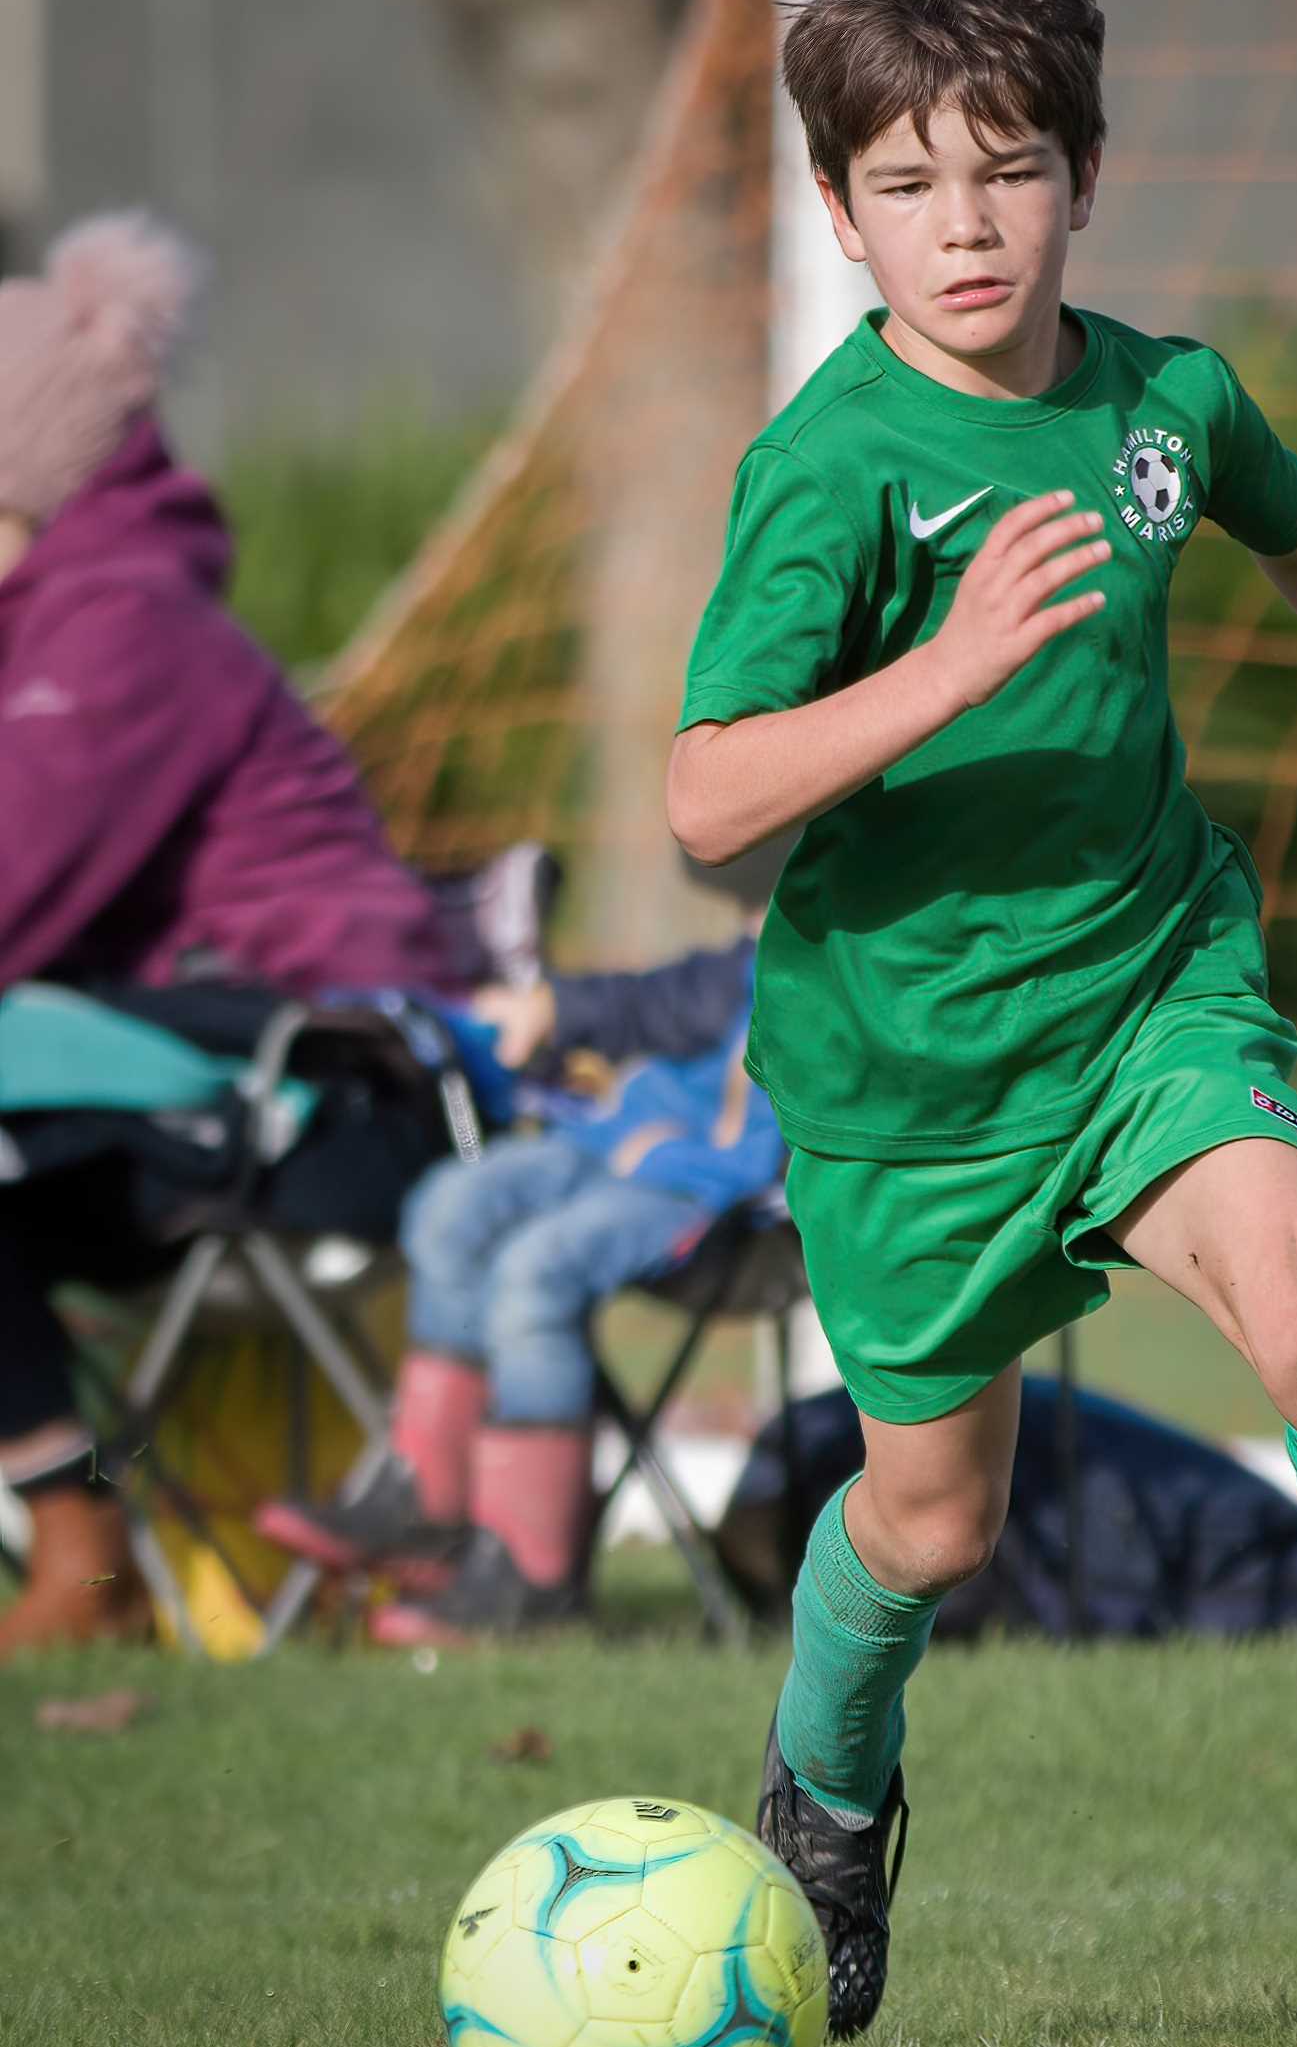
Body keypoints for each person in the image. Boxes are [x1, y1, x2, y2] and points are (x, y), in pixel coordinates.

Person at [666, 0, 1297, 2041]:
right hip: (910, 1074)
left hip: (1145, 992)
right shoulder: (826, 473)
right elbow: (705, 798)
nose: (967, 226)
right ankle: (825, 1801)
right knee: (934, 1519)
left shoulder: (1162, 398)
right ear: (836, 214)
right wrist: (933, 675)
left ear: (1084, 177)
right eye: (910, 184)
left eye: (1008, 169)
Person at [0, 212, 465, 1657]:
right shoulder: (67, 623)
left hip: (335, 1095)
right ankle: (77, 1535)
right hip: (193, 1081)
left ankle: (81, 1552)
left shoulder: (121, 631)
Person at [254, 916, 781, 1642]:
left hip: (724, 1193)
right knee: (451, 1206)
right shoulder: (793, 909)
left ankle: (533, 1580)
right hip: (632, 1139)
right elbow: (684, 998)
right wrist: (560, 1007)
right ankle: (428, 1511)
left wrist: (671, 1155)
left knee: (536, 1269)